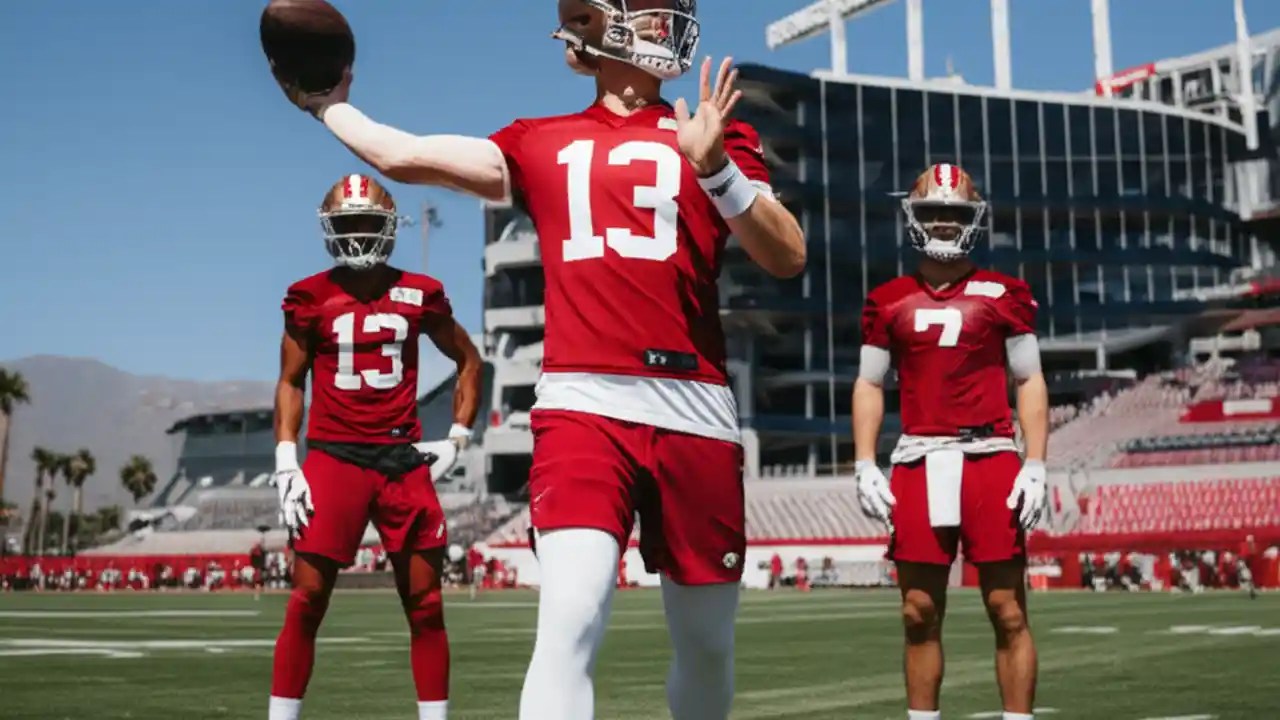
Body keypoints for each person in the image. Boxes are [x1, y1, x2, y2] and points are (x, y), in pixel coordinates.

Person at [269, 2, 805, 718]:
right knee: (570, 620)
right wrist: (328, 105)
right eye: (648, 10)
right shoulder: (538, 142)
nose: (666, 21)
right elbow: (403, 155)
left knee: (707, 645)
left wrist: (717, 171)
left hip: (695, 406)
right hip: (583, 406)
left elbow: (787, 254)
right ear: (599, 24)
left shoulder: (717, 132)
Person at [267, 174, 483, 720]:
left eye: (368, 223)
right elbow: (290, 381)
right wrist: (286, 457)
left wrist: (459, 434)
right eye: (348, 224)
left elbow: (468, 359)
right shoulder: (308, 295)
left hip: (399, 459)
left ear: (388, 227)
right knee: (307, 598)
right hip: (335, 458)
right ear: (329, 230)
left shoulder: (420, 292)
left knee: (427, 605)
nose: (359, 235)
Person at [851, 163, 1049, 720]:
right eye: (932, 211)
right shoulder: (887, 300)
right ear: (913, 218)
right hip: (920, 454)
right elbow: (869, 383)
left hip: (990, 456)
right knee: (918, 611)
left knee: (1006, 608)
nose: (942, 222)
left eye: (955, 212)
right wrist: (865, 461)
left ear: (974, 219)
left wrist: (1035, 463)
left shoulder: (1006, 293)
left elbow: (1029, 380)